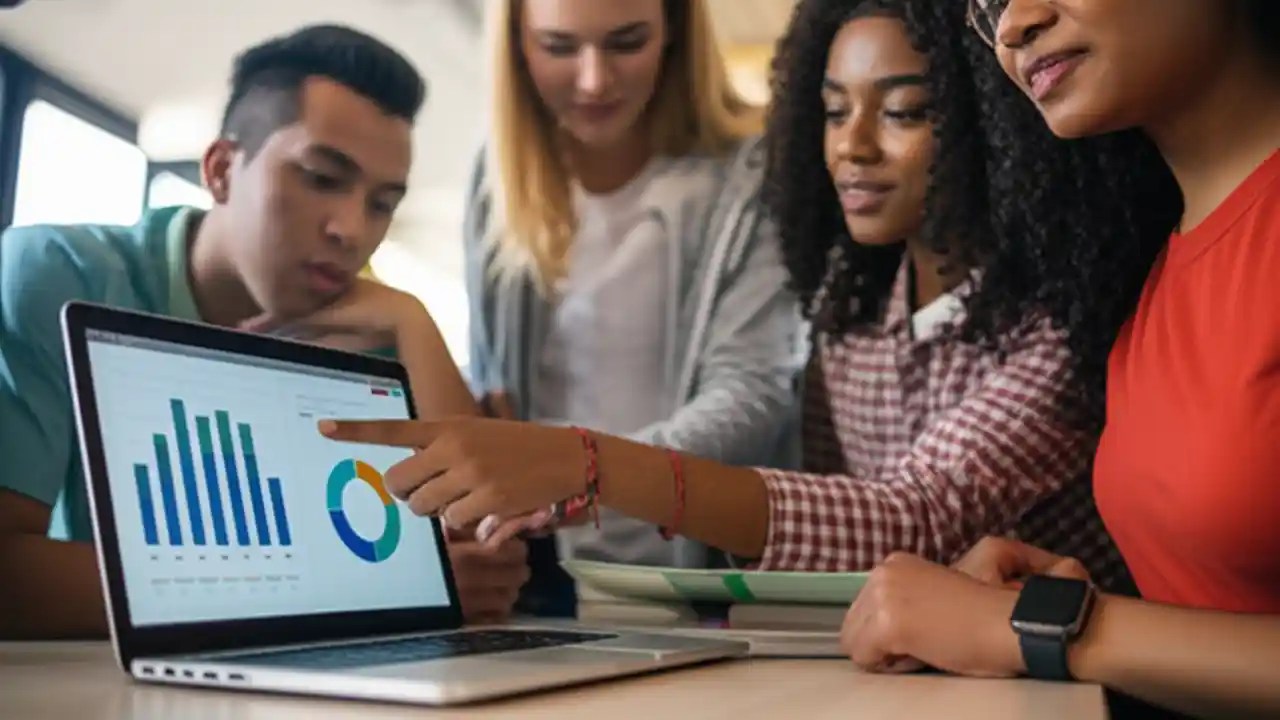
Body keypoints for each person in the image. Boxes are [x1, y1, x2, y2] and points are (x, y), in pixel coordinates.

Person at [316, 0, 1165, 587]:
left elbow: (905, 516)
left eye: (904, 112)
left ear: (993, 126)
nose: (853, 149)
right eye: (833, 112)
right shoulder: (852, 313)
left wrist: (586, 466)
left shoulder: (1060, 331)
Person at [0, 25, 526, 639]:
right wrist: (365, 592)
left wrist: (413, 319)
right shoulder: (55, 275)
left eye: (382, 204)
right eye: (322, 178)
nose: (352, 230)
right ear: (222, 170)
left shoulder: (373, 340)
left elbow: (481, 544)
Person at [831, 1, 1280, 718]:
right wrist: (1051, 606)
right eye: (990, 3)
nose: (1015, 26)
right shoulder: (1148, 265)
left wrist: (1049, 628)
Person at [463, 0, 801, 608]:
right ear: (515, 46)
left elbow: (753, 392)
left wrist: (585, 475)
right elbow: (495, 388)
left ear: (674, 30)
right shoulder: (496, 179)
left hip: (700, 582)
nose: (595, 80)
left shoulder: (748, 174)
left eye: (627, 43)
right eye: (559, 47)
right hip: (546, 584)